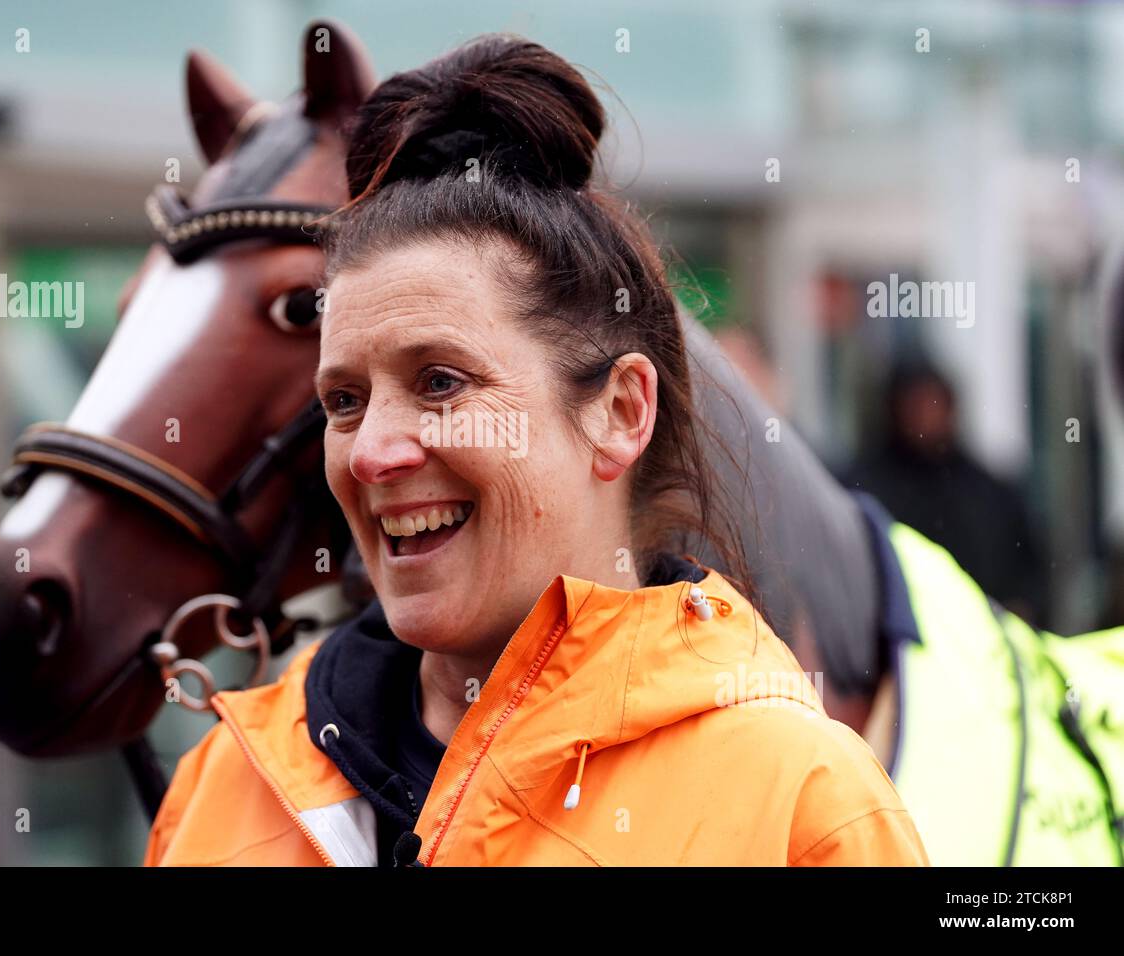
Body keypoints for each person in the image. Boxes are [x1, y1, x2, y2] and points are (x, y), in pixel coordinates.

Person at [144, 34, 928, 867]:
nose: (370, 453)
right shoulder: (223, 782)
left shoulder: (800, 804)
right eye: (343, 401)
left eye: (441, 382)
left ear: (621, 412)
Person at [843, 359, 1049, 628]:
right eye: (915, 404)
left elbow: (1028, 581)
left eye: (934, 403)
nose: (926, 415)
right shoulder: (863, 488)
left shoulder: (991, 494)